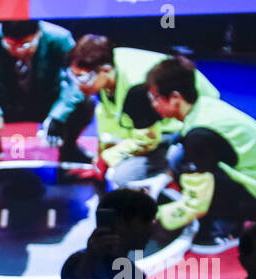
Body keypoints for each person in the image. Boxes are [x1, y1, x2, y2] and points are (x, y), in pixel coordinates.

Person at [146, 56, 256, 253]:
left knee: (189, 169)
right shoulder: (203, 106)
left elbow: (196, 204)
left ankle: (226, 229)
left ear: (175, 97)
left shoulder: (199, 135)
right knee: (178, 156)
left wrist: (155, 217)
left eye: (155, 98)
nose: (152, 104)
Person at [66, 36, 218, 188]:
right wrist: (101, 158)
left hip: (192, 122)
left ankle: (172, 172)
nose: (78, 85)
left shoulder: (138, 88)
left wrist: (107, 158)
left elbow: (147, 141)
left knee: (121, 177)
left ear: (105, 70)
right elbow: (109, 118)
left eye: (83, 77)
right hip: (159, 122)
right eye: (73, 75)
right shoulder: (108, 68)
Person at [0, 19, 94, 165]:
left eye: (26, 44)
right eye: (10, 45)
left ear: (39, 34)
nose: (18, 51)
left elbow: (77, 80)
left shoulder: (59, 38)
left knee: (86, 102)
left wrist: (59, 115)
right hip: (5, 102)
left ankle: (69, 149)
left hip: (46, 102)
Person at [60, 188, 157, 279]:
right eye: (145, 221)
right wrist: (89, 262)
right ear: (119, 221)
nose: (151, 229)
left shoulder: (133, 274)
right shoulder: (79, 262)